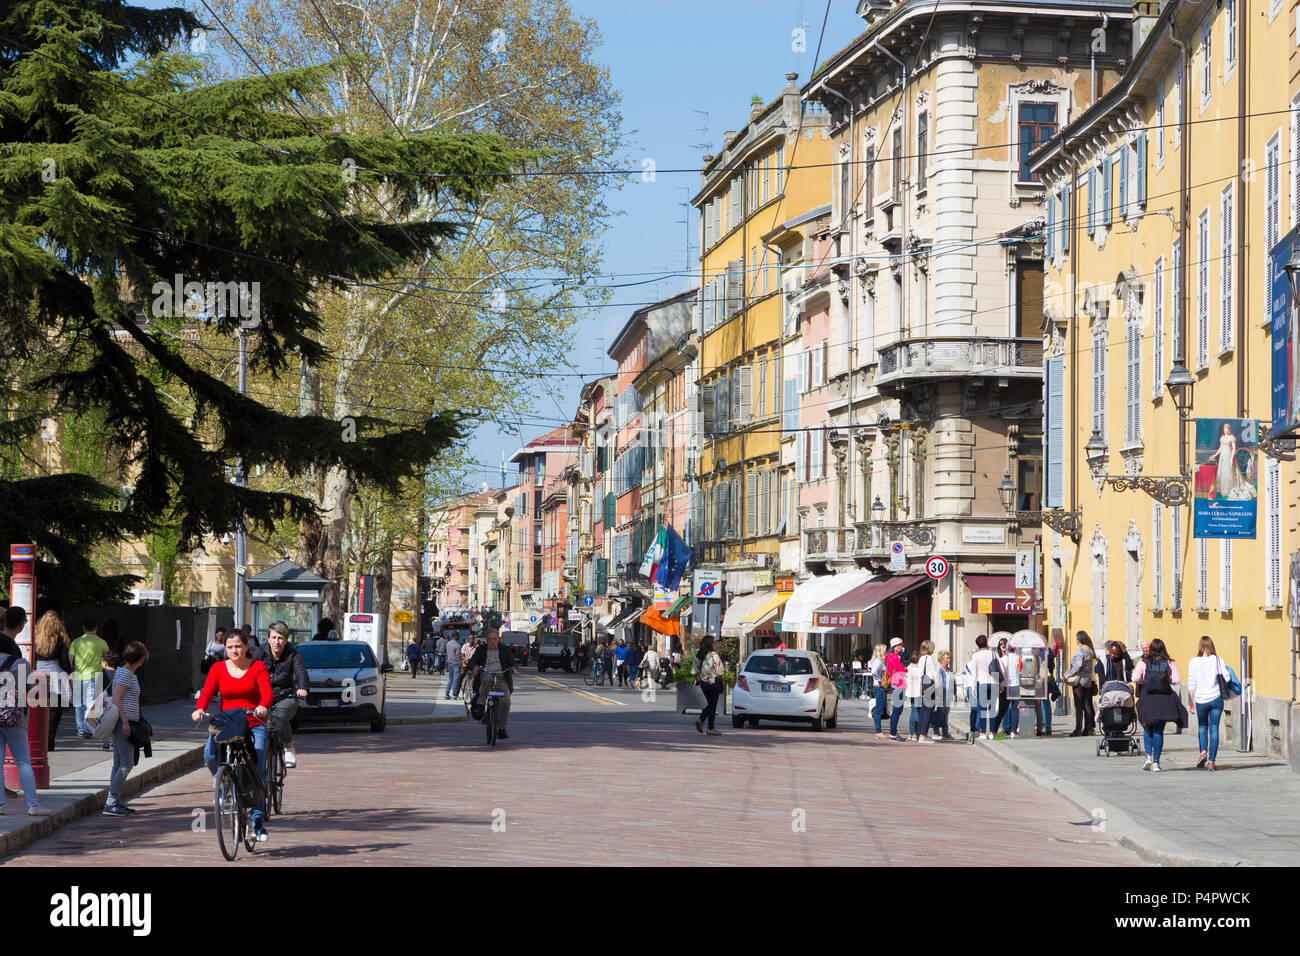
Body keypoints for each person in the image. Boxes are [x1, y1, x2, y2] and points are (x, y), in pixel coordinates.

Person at [192, 628, 272, 841]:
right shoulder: (218, 668)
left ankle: (256, 820)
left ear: (246, 647)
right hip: (227, 722)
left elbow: (266, 694)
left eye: (238, 646)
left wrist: (262, 706)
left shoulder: (257, 667)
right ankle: (224, 781)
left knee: (257, 760)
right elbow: (207, 692)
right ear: (224, 649)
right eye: (230, 647)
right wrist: (200, 709)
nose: (234, 651)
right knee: (209, 755)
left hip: (253, 721)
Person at [0, 634, 52, 816]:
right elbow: (32, 689)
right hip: (15, 718)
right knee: (23, 761)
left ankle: (0, 805)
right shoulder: (20, 664)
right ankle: (33, 804)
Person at [102, 641, 150, 816]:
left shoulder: (126, 673)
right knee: (126, 764)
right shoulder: (126, 674)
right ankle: (111, 802)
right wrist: (125, 722)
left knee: (119, 762)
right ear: (140, 658)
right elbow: (116, 699)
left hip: (125, 721)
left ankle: (114, 801)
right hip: (124, 722)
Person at [1133, 638, 1185, 772]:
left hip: (1147, 697)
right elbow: (1177, 680)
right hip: (1164, 698)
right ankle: (1156, 762)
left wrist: (1146, 679)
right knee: (1158, 731)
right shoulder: (1169, 662)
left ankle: (1147, 757)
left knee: (1147, 727)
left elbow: (1135, 678)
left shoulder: (1144, 662)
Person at [263, 622, 308, 769]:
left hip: (285, 696)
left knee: (280, 716)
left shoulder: (293, 654)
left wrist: (302, 687)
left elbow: (301, 672)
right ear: (268, 638)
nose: (277, 642)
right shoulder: (259, 652)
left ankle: (288, 747)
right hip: (262, 697)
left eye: (281, 638)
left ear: (286, 640)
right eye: (274, 637)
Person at [1186, 635, 1229, 771]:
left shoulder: (1193, 662)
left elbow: (1191, 684)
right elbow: (1226, 678)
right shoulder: (1217, 660)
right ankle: (1211, 761)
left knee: (1202, 726)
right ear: (1212, 646)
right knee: (1214, 728)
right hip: (1216, 698)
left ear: (1200, 646)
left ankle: (1203, 751)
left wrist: (1190, 702)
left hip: (1201, 700)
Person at [33, 610, 73, 751]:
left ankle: (36, 739)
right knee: (55, 711)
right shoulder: (61, 637)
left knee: (37, 709)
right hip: (56, 676)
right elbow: (64, 662)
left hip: (37, 675)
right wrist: (70, 674)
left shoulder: (35, 636)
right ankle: (49, 742)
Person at [469, 630, 519, 739]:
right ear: (486, 640)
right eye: (490, 639)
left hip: (502, 677)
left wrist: (514, 668)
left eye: (494, 639)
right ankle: (481, 704)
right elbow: (472, 661)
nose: (492, 641)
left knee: (506, 702)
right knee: (486, 679)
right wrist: (475, 667)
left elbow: (512, 661)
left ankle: (502, 729)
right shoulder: (481, 649)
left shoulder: (504, 649)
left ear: (498, 639)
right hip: (486, 674)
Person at [71, 615, 109, 739]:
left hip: (78, 676)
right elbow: (106, 660)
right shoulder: (102, 642)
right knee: (93, 703)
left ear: (83, 628)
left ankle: (81, 728)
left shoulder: (76, 642)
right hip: (96, 676)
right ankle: (91, 727)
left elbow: (70, 659)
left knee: (79, 704)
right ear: (96, 628)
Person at [691, 635, 725, 736]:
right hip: (714, 682)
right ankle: (708, 725)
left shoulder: (699, 654)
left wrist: (697, 680)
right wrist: (722, 682)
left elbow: (694, 670)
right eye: (714, 642)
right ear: (710, 644)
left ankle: (707, 725)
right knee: (712, 705)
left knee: (711, 704)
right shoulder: (714, 655)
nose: (715, 644)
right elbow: (720, 671)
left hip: (703, 683)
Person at [1066, 631, 1098, 736]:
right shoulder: (1089, 650)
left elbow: (1078, 665)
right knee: (1087, 705)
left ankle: (1078, 728)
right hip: (1087, 681)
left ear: (1078, 640)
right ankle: (1088, 728)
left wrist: (1068, 674)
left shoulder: (1080, 650)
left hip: (1079, 681)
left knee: (1078, 706)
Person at [969, 635, 1001, 739]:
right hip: (993, 682)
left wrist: (973, 687)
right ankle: (991, 732)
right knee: (992, 708)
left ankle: (983, 732)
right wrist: (1001, 683)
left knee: (982, 708)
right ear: (987, 643)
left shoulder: (975, 656)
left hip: (981, 682)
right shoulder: (994, 654)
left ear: (977, 644)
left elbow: (974, 673)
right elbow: (1000, 669)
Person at [915, 640, 940, 742]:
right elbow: (934, 673)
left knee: (923, 710)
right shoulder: (929, 658)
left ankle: (920, 733)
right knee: (928, 710)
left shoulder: (921, 658)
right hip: (929, 685)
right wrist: (938, 686)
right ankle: (923, 735)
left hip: (922, 685)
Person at [884, 638, 908, 741]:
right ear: (893, 647)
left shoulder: (895, 656)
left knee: (898, 709)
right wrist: (906, 668)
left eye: (901, 645)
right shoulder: (893, 657)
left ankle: (893, 732)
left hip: (898, 683)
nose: (901, 647)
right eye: (898, 645)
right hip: (897, 684)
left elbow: (905, 657)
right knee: (897, 709)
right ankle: (893, 733)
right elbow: (901, 669)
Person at [1000, 639, 1022, 737]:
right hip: (1016, 685)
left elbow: (1000, 673)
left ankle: (1005, 728)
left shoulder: (1004, 659)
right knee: (1015, 708)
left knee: (1005, 708)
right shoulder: (1018, 658)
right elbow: (1021, 670)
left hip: (1005, 686)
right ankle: (1013, 730)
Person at [934, 650, 957, 740]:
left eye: (949, 658)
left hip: (948, 695)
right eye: (947, 658)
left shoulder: (949, 669)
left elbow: (953, 681)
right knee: (939, 713)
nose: (949, 659)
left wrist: (954, 692)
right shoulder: (939, 670)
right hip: (941, 695)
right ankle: (936, 732)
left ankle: (945, 732)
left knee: (945, 714)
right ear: (941, 660)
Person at [868, 643, 889, 739]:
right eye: (884, 650)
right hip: (879, 687)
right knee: (879, 710)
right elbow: (874, 672)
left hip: (880, 687)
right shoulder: (878, 661)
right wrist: (880, 680)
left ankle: (879, 731)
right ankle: (878, 731)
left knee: (880, 709)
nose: (885, 651)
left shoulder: (879, 661)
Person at [1035, 647, 1056, 737]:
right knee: (1046, 703)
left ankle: (1042, 726)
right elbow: (1053, 665)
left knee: (1039, 704)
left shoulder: (1037, 652)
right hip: (1046, 679)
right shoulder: (1050, 651)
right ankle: (1048, 727)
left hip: (1038, 680)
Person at [904, 652, 922, 740]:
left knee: (913, 711)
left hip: (910, 692)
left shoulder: (908, 668)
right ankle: (915, 732)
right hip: (917, 692)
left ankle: (911, 732)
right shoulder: (919, 669)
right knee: (916, 711)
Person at [444, 631, 462, 699]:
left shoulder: (448, 643)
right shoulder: (457, 645)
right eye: (458, 635)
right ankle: (455, 694)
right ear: (456, 636)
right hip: (456, 663)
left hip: (449, 662)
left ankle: (447, 693)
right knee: (456, 679)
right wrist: (461, 665)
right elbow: (458, 656)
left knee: (450, 679)